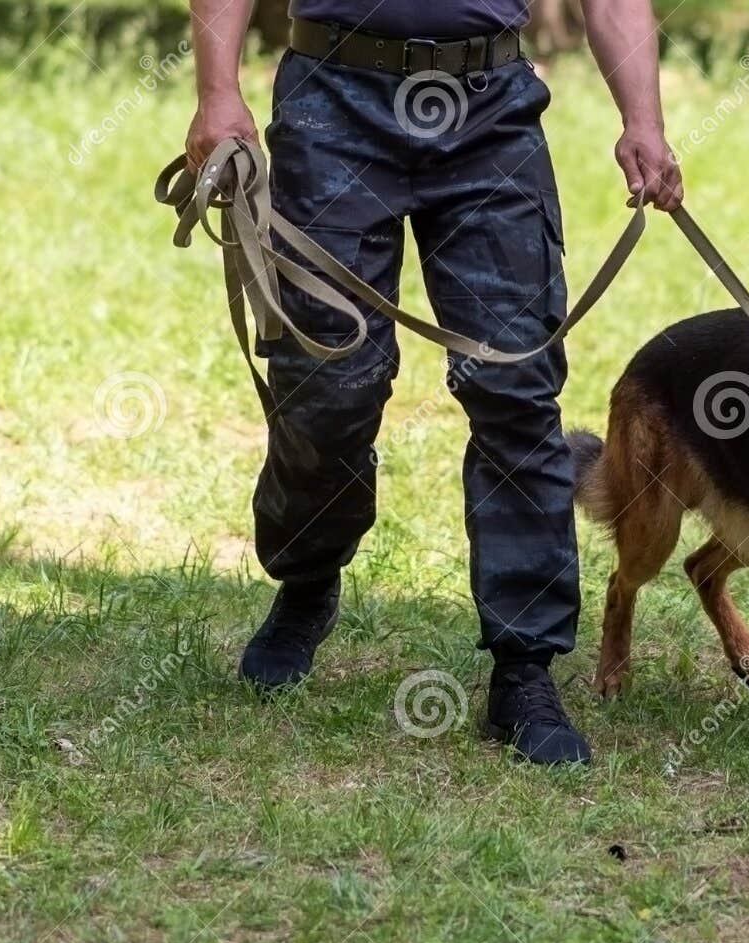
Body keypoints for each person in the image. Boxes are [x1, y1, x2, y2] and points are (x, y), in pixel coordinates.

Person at [184, 0, 683, 765]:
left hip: (490, 112)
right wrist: (218, 92)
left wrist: (643, 120)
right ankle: (309, 579)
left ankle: (523, 668)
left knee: (516, 388)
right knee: (325, 386)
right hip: (332, 101)